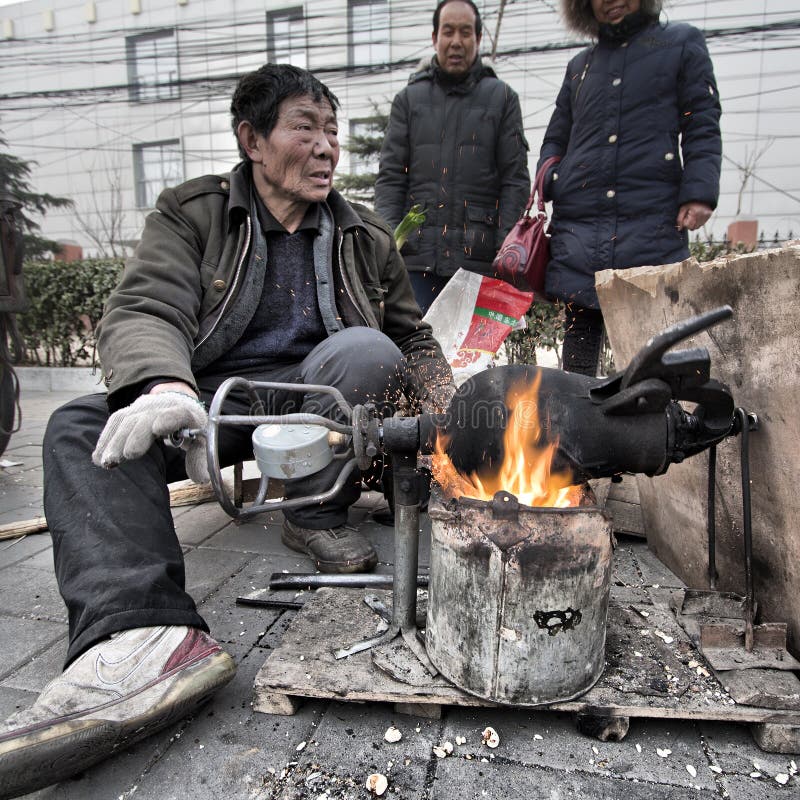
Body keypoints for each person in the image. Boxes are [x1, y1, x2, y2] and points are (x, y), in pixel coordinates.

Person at [0, 64, 454, 798]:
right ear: (251, 138)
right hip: (211, 409)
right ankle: (138, 632)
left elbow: (416, 339)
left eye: (332, 132)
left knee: (370, 350)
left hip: (318, 409)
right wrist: (167, 389)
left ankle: (313, 511)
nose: (326, 148)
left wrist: (448, 410)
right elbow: (144, 307)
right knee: (82, 425)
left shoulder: (364, 232)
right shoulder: (194, 214)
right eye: (305, 128)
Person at [539, 0, 722, 375]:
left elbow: (702, 119)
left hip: (651, 222)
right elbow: (556, 138)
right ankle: (572, 433)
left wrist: (699, 190)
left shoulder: (681, 43)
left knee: (648, 361)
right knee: (576, 368)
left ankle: (646, 432)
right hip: (579, 229)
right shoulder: (580, 66)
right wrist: (553, 179)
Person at [375, 0, 530, 314]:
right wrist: (391, 245)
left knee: (474, 361)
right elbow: (391, 179)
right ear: (435, 38)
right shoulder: (409, 100)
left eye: (465, 32)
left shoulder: (502, 98)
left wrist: (505, 252)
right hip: (416, 261)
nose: (456, 41)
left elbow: (515, 181)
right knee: (415, 353)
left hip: (479, 262)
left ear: (477, 39)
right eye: (448, 32)